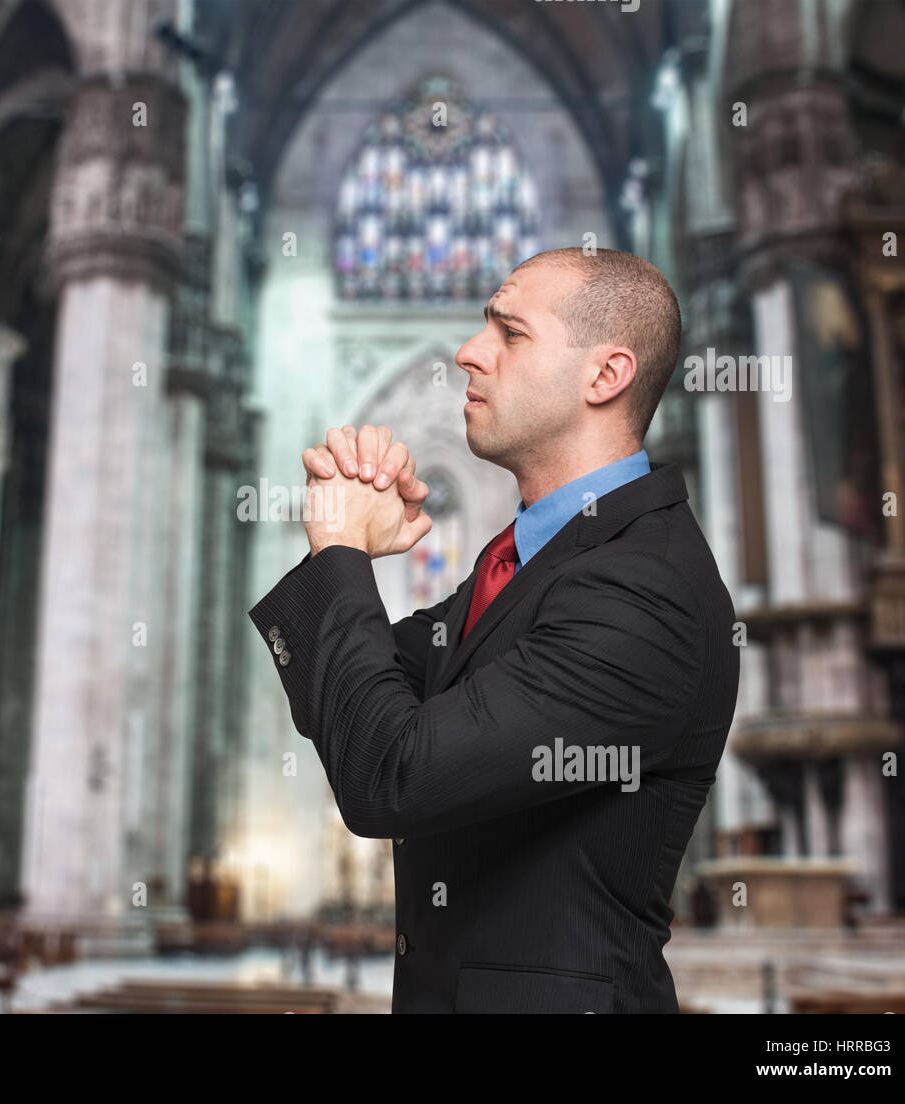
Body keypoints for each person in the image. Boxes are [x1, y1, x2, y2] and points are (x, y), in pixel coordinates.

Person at [249, 247, 740, 1013]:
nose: (468, 352)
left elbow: (389, 776)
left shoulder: (645, 589)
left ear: (604, 376)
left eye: (509, 334)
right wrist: (341, 544)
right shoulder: (532, 559)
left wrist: (341, 551)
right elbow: (353, 707)